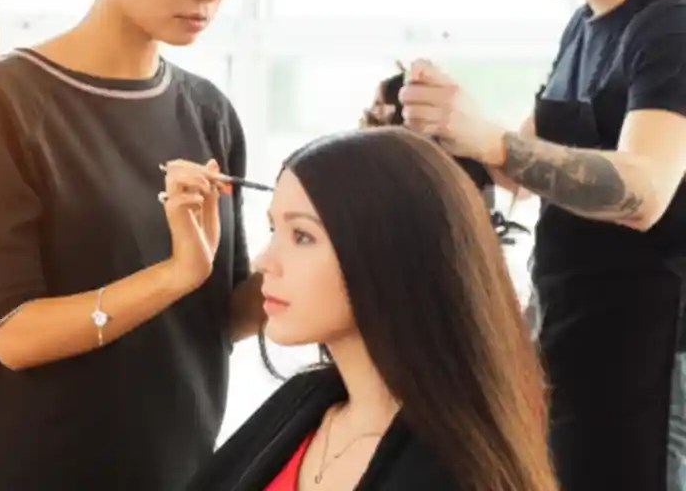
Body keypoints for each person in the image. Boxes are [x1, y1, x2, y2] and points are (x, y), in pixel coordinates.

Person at [0, 0, 265, 491]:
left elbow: (220, 317)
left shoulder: (208, 112)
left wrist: (333, 232)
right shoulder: (9, 100)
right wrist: (174, 274)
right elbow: (14, 335)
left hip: (180, 468)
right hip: (41, 467)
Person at [399, 0, 686, 490]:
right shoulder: (584, 29)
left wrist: (491, 135)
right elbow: (523, 168)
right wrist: (437, 127)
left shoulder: (669, 28)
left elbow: (644, 191)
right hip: (572, 351)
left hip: (645, 370)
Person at [188, 128, 556, 491]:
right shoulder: (301, 404)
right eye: (273, 230)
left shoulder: (454, 468)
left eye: (302, 236)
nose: (263, 262)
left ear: (388, 254)